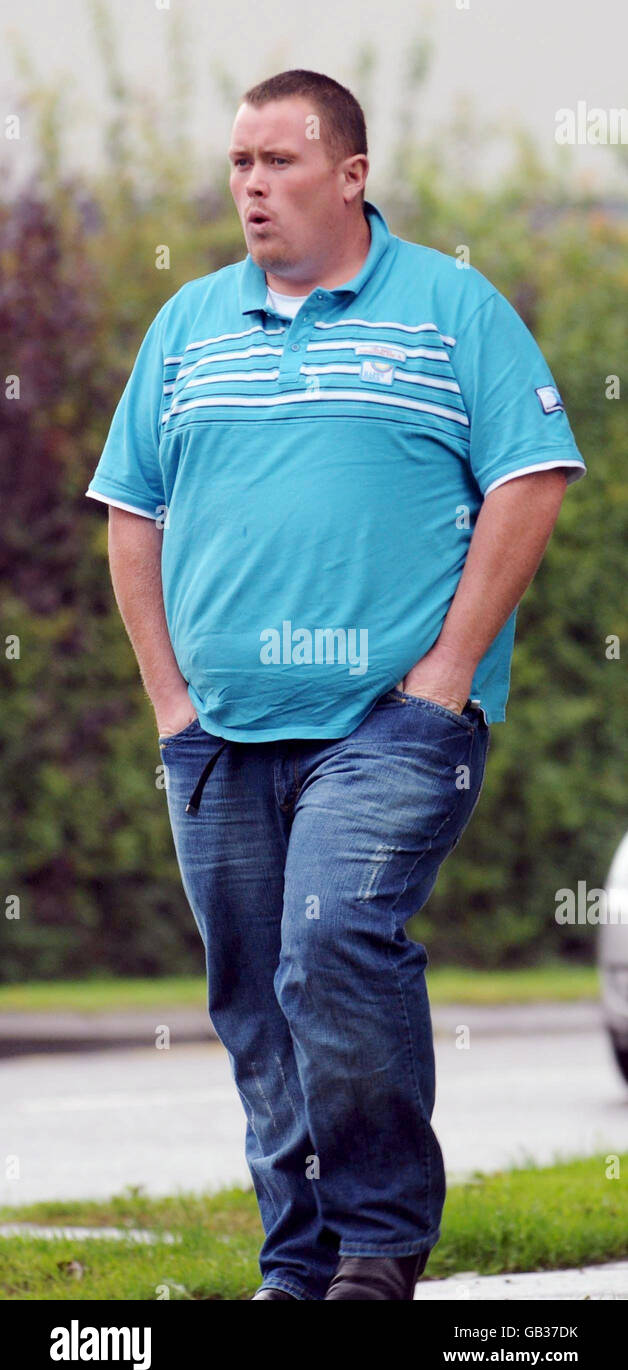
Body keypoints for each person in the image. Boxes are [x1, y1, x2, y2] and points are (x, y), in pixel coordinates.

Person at [85, 68, 586, 1301]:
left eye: (280, 163)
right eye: (240, 166)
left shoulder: (451, 307)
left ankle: (378, 1242)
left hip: (390, 726)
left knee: (332, 942)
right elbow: (130, 512)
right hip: (220, 735)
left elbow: (531, 478)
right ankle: (299, 1261)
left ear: (352, 174)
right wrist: (169, 704)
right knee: (255, 997)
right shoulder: (188, 326)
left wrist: (445, 678)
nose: (253, 187)